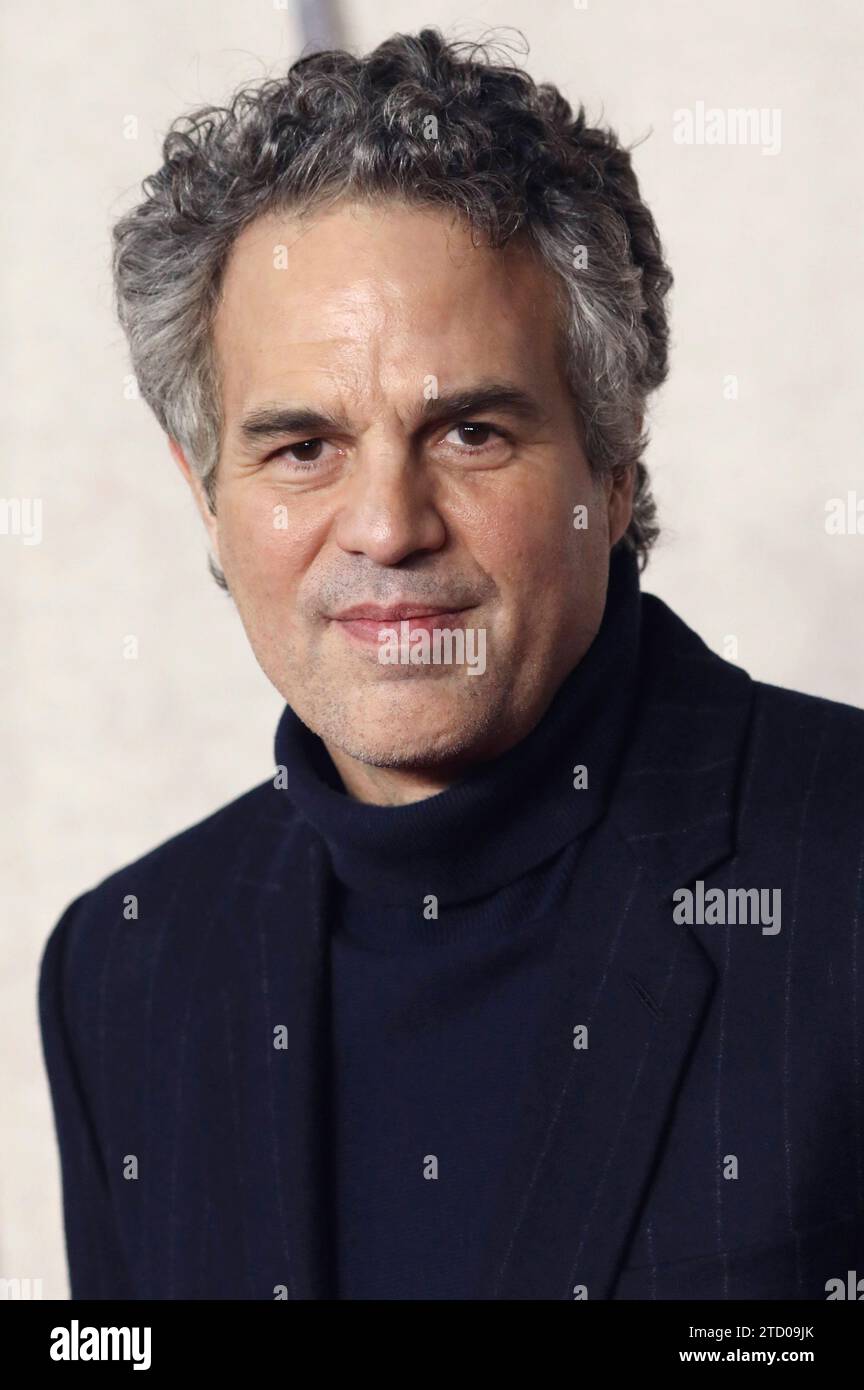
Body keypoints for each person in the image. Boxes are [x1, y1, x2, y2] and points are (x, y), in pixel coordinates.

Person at [38, 28, 864, 1301]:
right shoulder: (126, 971)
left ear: (614, 454)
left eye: (470, 430)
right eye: (301, 446)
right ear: (204, 489)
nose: (386, 524)